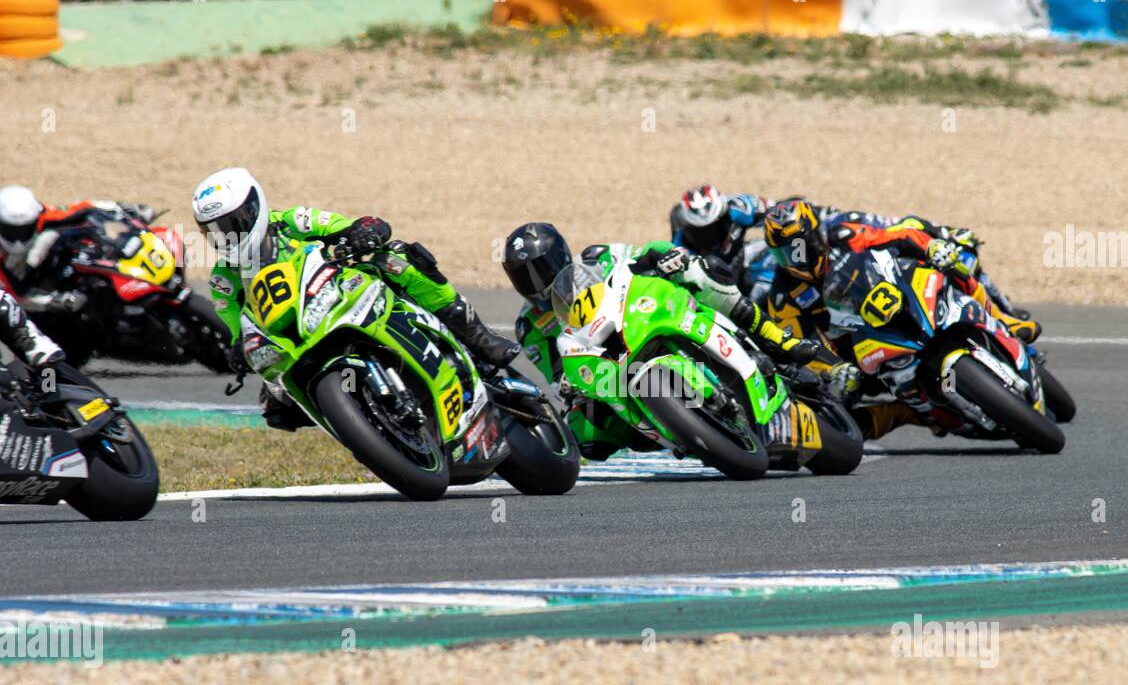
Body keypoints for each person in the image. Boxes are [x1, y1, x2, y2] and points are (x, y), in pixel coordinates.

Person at [191, 167, 518, 430]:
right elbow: (238, 327)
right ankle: (352, 416)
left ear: (254, 207)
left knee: (395, 259)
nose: (227, 234)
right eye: (216, 230)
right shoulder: (223, 278)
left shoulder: (290, 222)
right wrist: (237, 348)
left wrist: (363, 229)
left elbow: (339, 226)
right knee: (275, 402)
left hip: (338, 293)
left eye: (233, 223)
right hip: (292, 336)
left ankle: (476, 334)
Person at [501, 222, 821, 460]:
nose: (537, 281)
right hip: (605, 365)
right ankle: (676, 427)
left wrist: (665, 255)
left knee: (698, 272)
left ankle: (774, 337)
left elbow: (642, 253)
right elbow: (555, 370)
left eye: (540, 268)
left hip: (642, 319)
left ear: (559, 254)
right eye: (524, 276)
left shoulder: (599, 257)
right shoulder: (530, 325)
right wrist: (566, 387)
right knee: (587, 437)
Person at [761, 198, 1040, 438]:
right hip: (853, 347)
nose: (796, 256)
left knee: (955, 265)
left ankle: (1004, 319)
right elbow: (798, 344)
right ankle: (915, 414)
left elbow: (899, 235)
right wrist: (832, 369)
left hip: (895, 295)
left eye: (801, 245)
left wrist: (932, 249)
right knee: (839, 410)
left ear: (816, 236)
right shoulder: (784, 294)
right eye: (783, 252)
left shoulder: (843, 235)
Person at [0, 184, 156, 295]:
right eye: (11, 230)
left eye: (23, 229)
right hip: (23, 300)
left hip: (45, 273)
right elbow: (12, 298)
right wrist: (55, 302)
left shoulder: (44, 216)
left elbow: (81, 209)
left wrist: (125, 208)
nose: (18, 238)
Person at [668, 184, 772, 282]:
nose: (707, 238)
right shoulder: (680, 246)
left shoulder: (742, 208)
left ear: (726, 218)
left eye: (714, 229)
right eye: (699, 233)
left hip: (741, 263)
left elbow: (779, 212)